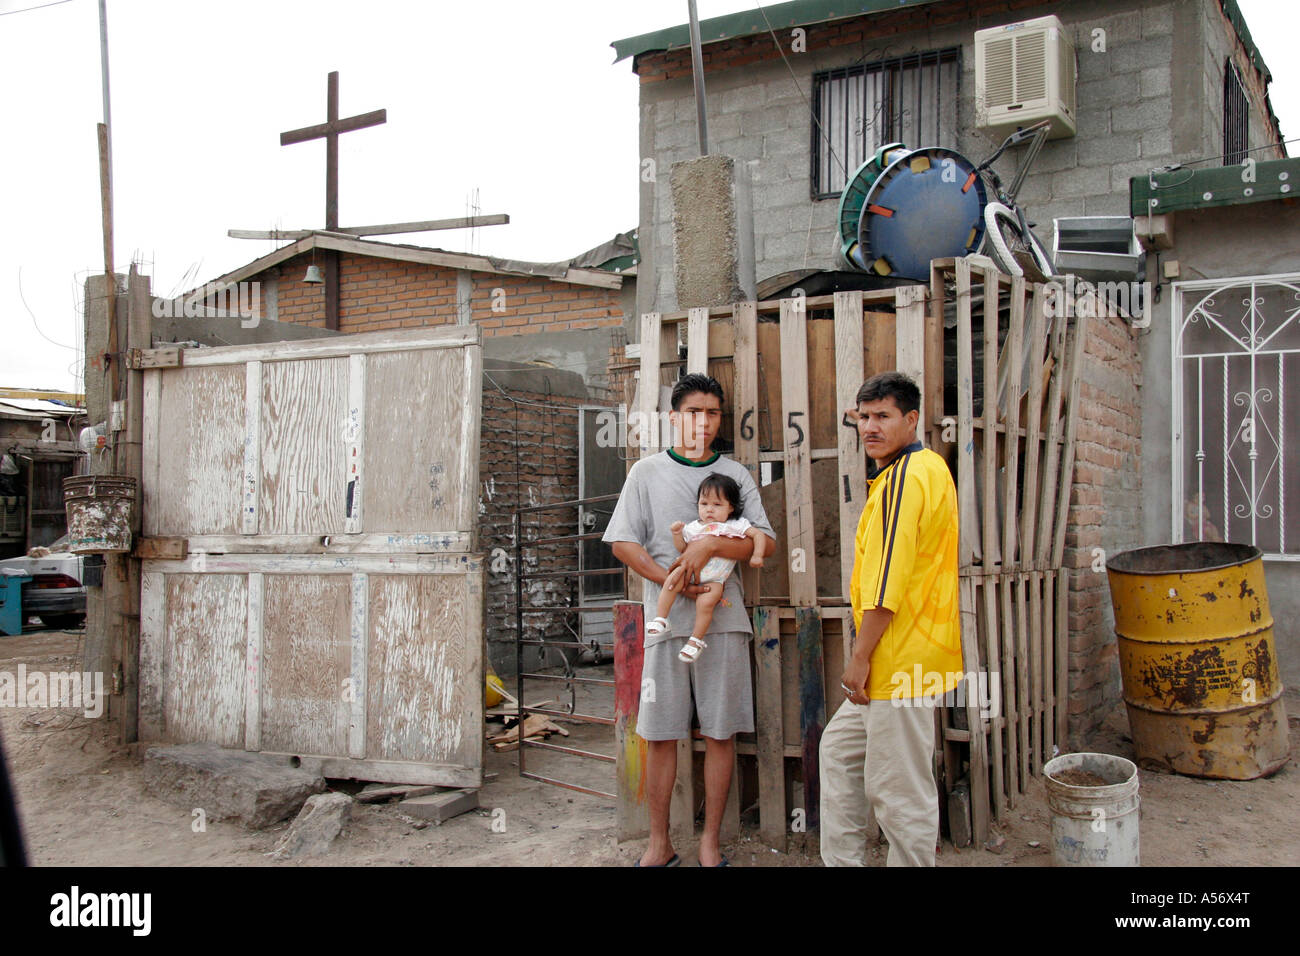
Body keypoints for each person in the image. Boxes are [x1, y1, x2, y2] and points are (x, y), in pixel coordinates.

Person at [603, 373, 776, 867]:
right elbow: (622, 542)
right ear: (674, 416)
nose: (704, 421)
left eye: (713, 412)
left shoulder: (735, 475)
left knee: (720, 734)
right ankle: (659, 843)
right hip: (666, 623)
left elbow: (764, 540)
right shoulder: (646, 473)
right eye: (694, 411)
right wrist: (671, 578)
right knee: (659, 735)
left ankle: (710, 844)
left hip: (720, 621)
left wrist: (711, 545)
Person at [819, 371, 963, 867]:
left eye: (883, 416)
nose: (870, 427)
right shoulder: (923, 468)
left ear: (912, 419)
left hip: (899, 660)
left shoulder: (905, 478)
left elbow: (886, 585)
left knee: (899, 792)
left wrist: (859, 658)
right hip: (900, 657)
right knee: (838, 755)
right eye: (864, 417)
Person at [645, 472, 769, 664]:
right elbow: (683, 549)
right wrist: (677, 534)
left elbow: (759, 535)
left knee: (706, 605)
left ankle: (695, 641)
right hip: (689, 572)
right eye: (704, 504)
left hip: (715, 580)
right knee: (671, 581)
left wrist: (757, 555)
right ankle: (661, 618)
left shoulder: (736, 526)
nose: (709, 510)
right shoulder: (695, 527)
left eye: (717, 505)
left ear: (731, 508)